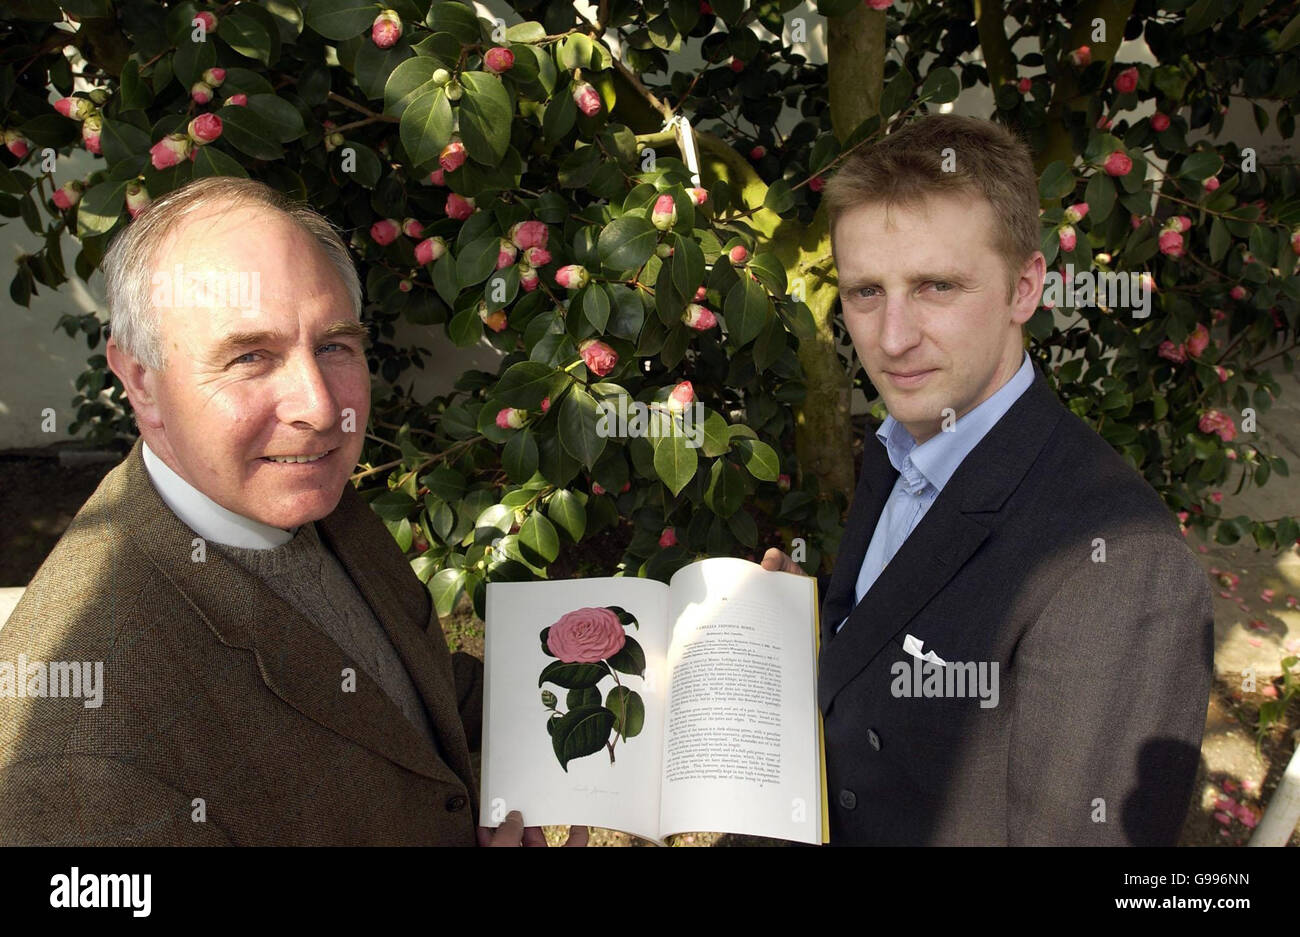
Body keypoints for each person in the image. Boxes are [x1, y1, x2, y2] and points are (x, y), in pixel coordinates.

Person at [0, 177, 581, 846]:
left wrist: (625, 688)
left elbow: (411, 691)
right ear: (140, 381)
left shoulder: (290, 488)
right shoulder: (82, 756)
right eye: (251, 356)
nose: (319, 405)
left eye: (334, 344)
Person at [762, 115, 1213, 845]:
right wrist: (794, 643)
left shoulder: (1123, 569)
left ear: (1024, 287)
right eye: (865, 292)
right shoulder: (901, 444)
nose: (892, 337)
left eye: (936, 286)